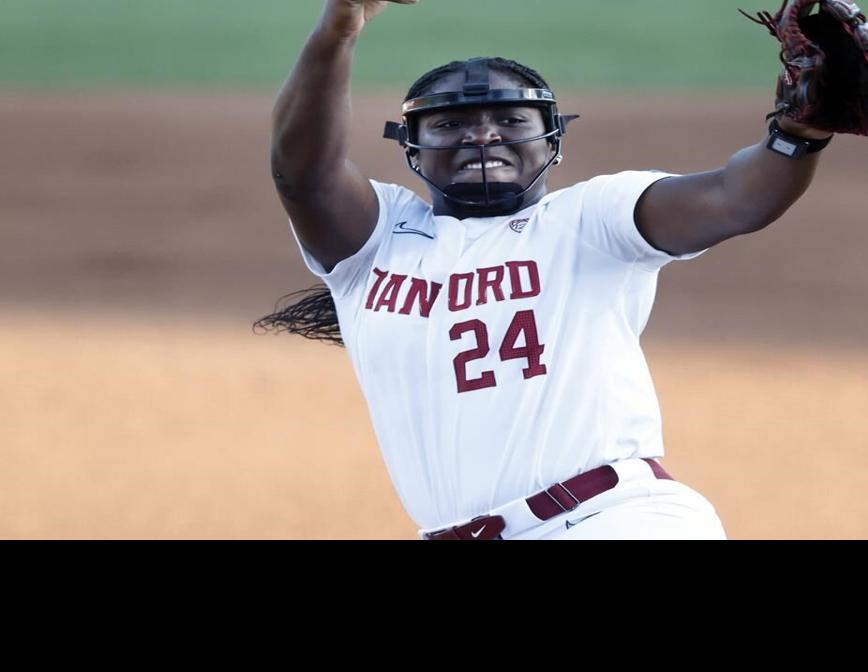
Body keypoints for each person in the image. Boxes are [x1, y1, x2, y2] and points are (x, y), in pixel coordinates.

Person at [259, 0, 835, 540]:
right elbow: (301, 173)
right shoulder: (374, 242)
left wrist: (796, 136)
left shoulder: (593, 218)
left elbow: (739, 198)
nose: (483, 134)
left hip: (613, 520)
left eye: (511, 119)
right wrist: (338, 27)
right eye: (449, 123)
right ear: (412, 148)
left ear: (553, 141)